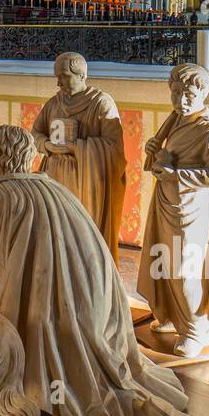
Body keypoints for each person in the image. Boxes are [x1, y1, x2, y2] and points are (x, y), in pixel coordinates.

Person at [0, 125, 209, 416]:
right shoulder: (50, 186)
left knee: (60, 369)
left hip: (51, 314)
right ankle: (144, 407)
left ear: (4, 155)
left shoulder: (4, 193)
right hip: (94, 303)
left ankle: (90, 400)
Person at [137, 64, 209, 359]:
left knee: (185, 270)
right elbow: (168, 156)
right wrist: (154, 151)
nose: (181, 100)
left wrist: (177, 173)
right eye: (176, 93)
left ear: (203, 93)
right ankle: (175, 316)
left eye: (189, 94)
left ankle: (198, 330)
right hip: (168, 202)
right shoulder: (177, 118)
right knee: (165, 263)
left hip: (191, 209)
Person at [31, 51, 127, 262]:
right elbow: (35, 133)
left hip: (85, 180)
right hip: (54, 174)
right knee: (54, 229)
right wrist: (46, 145)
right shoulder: (54, 103)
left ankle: (84, 275)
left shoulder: (101, 103)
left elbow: (114, 148)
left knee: (80, 232)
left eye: (64, 76)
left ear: (81, 75)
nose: (58, 83)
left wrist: (76, 147)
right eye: (57, 77)